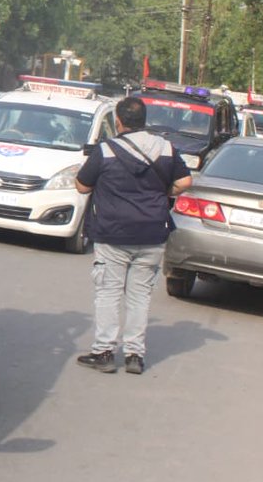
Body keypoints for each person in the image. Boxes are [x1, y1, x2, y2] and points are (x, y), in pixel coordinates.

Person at [74, 96, 193, 375]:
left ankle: (104, 352)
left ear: (118, 121)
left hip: (113, 234)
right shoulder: (165, 147)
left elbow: (81, 186)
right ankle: (134, 356)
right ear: (144, 120)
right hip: (152, 233)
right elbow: (186, 181)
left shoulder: (106, 150)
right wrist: (165, 193)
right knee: (140, 296)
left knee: (109, 293)